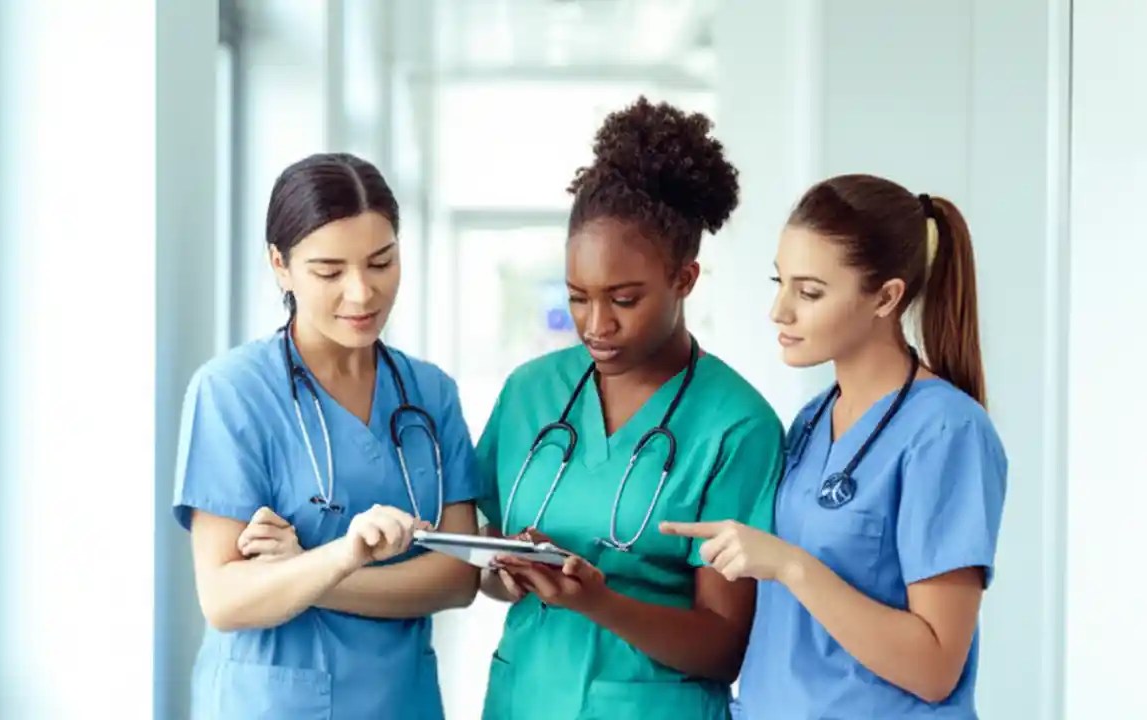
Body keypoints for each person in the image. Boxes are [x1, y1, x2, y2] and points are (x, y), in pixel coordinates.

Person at [474, 97, 785, 720]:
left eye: (623, 299)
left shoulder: (736, 426)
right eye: (577, 297)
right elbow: (481, 566)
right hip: (523, 698)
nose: (596, 325)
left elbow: (724, 647)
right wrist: (504, 570)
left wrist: (597, 601)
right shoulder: (530, 393)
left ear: (685, 279)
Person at [661, 174, 1008, 719]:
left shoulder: (947, 431)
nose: (780, 311)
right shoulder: (812, 420)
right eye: (779, 282)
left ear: (886, 297)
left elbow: (936, 668)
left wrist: (790, 566)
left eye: (809, 292)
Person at [171, 152, 482, 720]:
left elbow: (459, 576)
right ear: (280, 265)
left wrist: (308, 569)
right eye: (329, 272)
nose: (362, 293)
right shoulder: (233, 392)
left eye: (381, 262)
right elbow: (226, 598)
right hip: (272, 704)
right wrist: (346, 553)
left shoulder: (429, 393)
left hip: (401, 701)